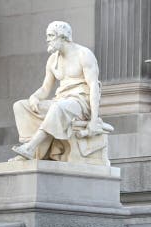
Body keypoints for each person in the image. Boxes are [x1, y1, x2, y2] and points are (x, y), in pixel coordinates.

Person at [10, 21, 109, 161]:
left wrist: (94, 120)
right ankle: (32, 149)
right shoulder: (52, 60)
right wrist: (35, 97)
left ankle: (30, 147)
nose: (47, 39)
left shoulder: (84, 54)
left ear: (62, 37)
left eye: (50, 35)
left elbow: (94, 87)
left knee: (58, 107)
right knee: (20, 106)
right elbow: (45, 88)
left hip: (80, 102)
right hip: (61, 100)